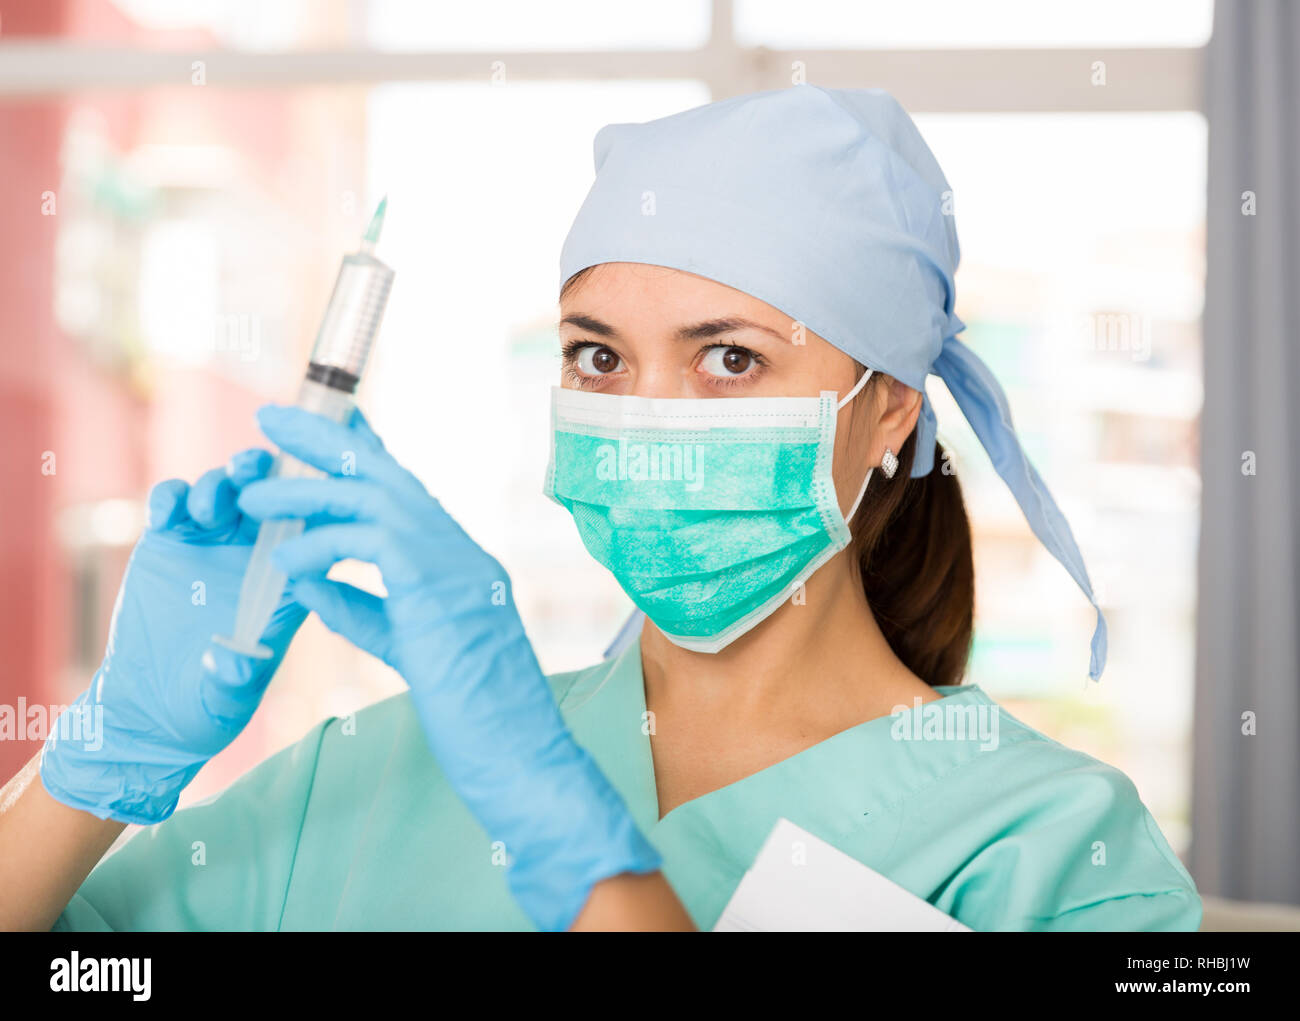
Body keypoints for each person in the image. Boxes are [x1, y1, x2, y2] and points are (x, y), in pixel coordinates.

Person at [0, 85, 1200, 932]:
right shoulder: (368, 774)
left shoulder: (1052, 849)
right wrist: (103, 757)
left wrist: (557, 820)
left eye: (729, 359)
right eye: (600, 358)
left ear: (886, 413)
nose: (647, 415)